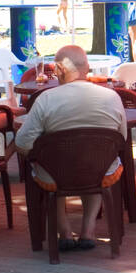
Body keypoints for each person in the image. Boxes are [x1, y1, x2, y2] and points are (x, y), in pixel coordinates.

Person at [10, 44, 125, 251]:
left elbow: (22, 143)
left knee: (49, 163)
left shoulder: (46, 99)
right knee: (94, 161)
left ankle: (64, 232)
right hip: (100, 172)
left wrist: (41, 152)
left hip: (55, 176)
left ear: (60, 69)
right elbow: (121, 138)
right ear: (86, 68)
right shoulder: (112, 97)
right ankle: (88, 230)